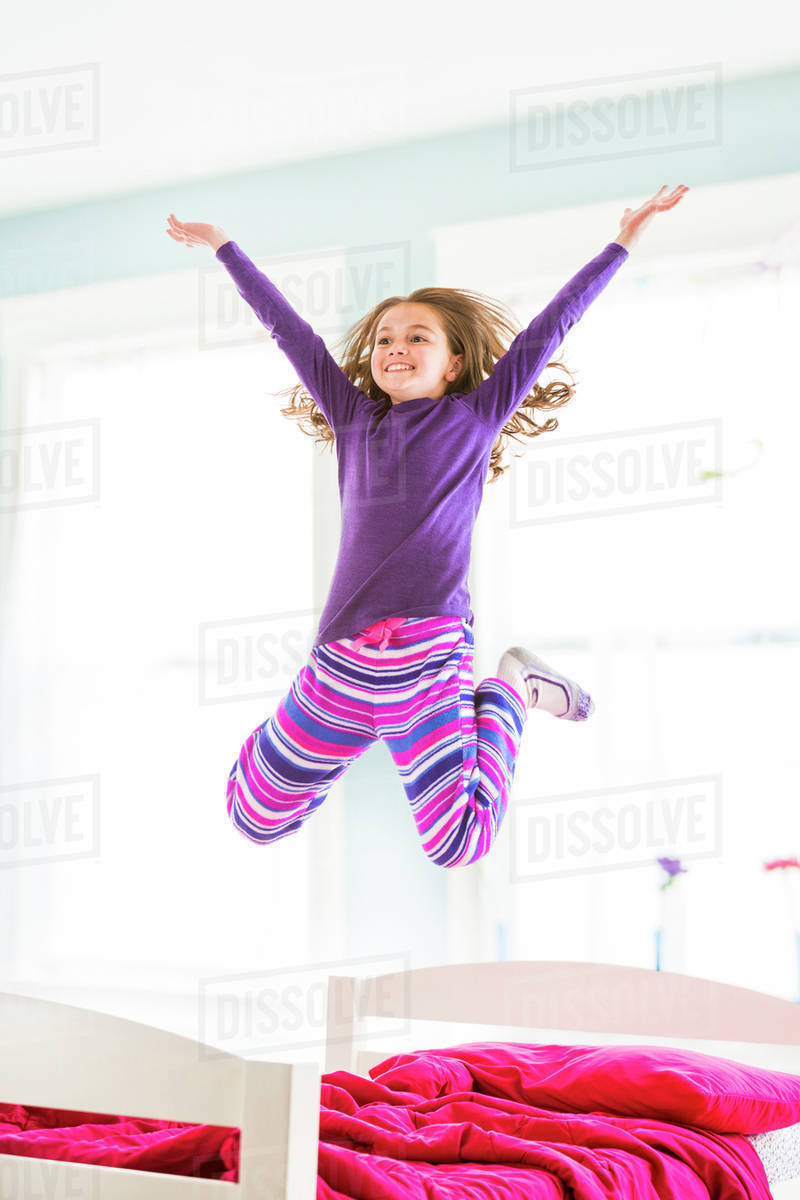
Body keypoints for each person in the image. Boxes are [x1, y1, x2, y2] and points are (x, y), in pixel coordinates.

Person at [166, 184, 688, 868]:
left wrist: (622, 242)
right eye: (385, 338)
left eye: (418, 337)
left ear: (456, 364)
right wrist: (223, 248)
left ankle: (514, 688)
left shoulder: (473, 418)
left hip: (428, 663)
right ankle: (293, 750)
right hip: (342, 663)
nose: (395, 347)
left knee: (460, 845)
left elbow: (552, 326)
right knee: (252, 817)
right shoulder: (353, 419)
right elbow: (287, 329)